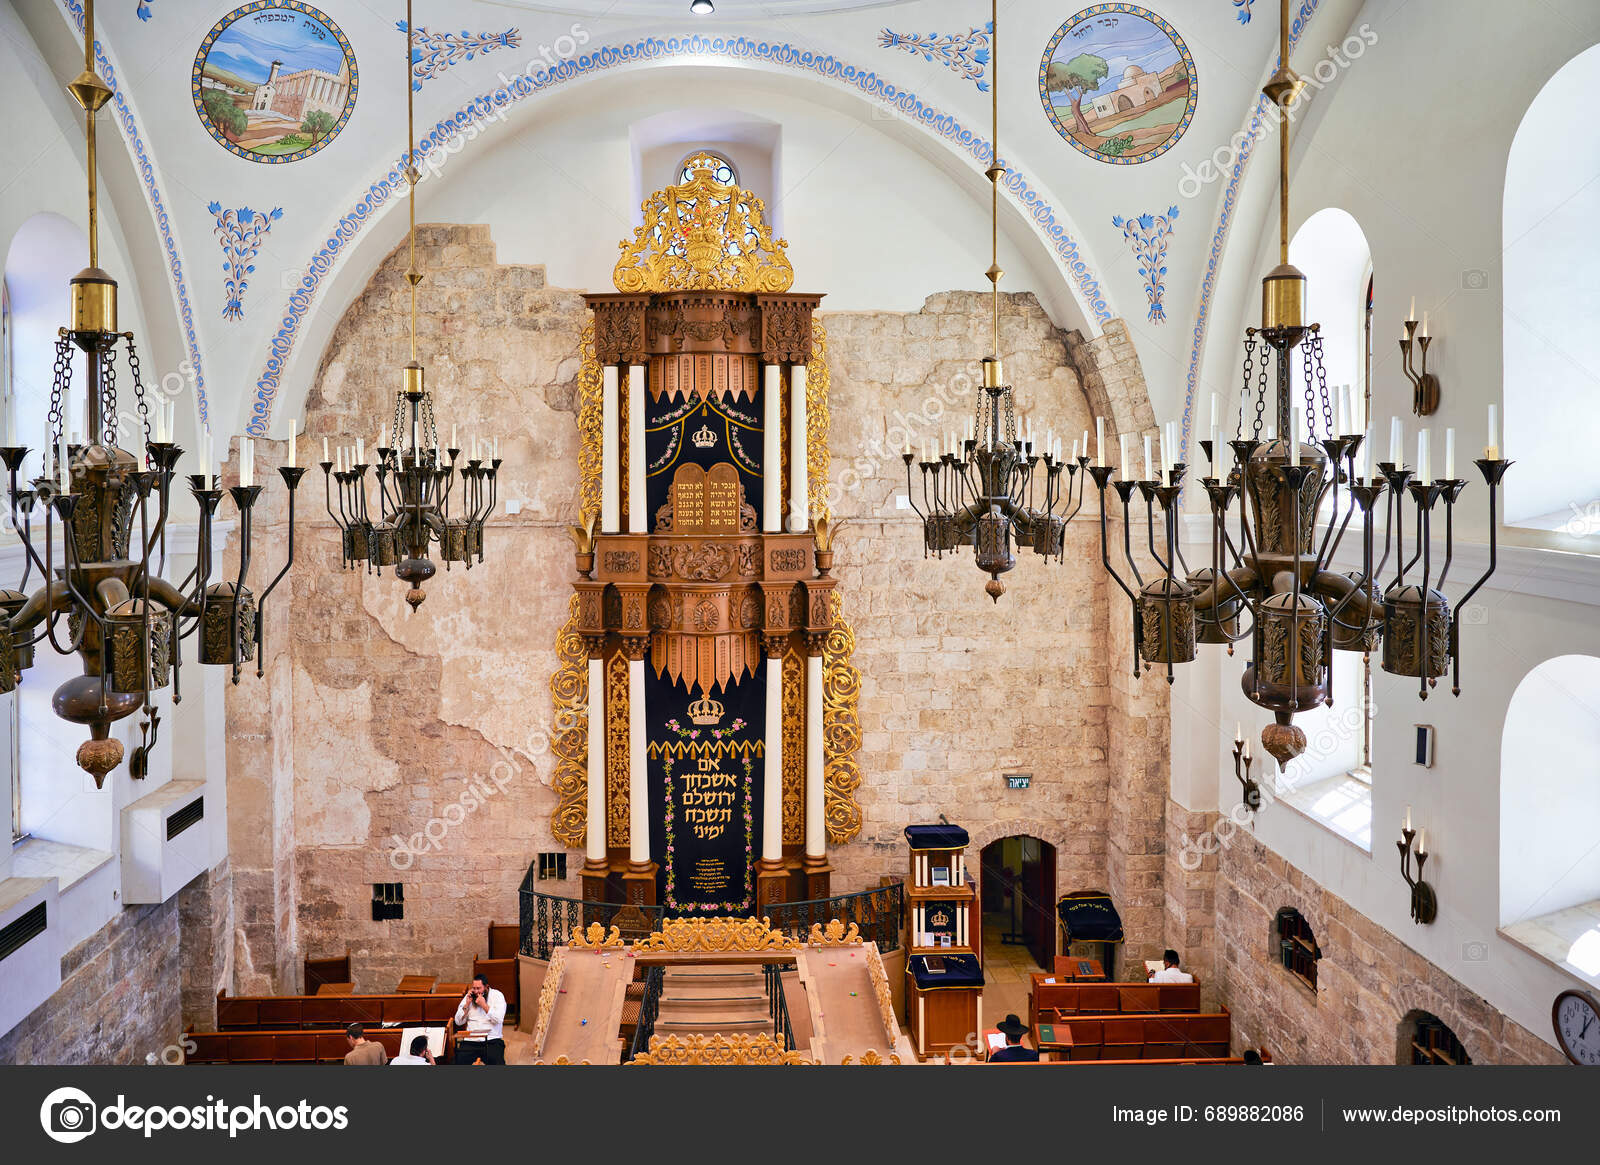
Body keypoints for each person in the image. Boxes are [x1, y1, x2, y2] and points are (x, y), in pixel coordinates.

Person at [452, 973, 507, 1064]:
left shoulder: (497, 995)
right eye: (474, 988)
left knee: (498, 1063)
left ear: (486, 987)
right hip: (471, 1041)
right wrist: (466, 1005)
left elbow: (499, 1019)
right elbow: (458, 1022)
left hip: (491, 1040)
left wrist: (484, 1005)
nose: (476, 992)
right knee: (457, 1062)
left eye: (479, 988)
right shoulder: (469, 997)